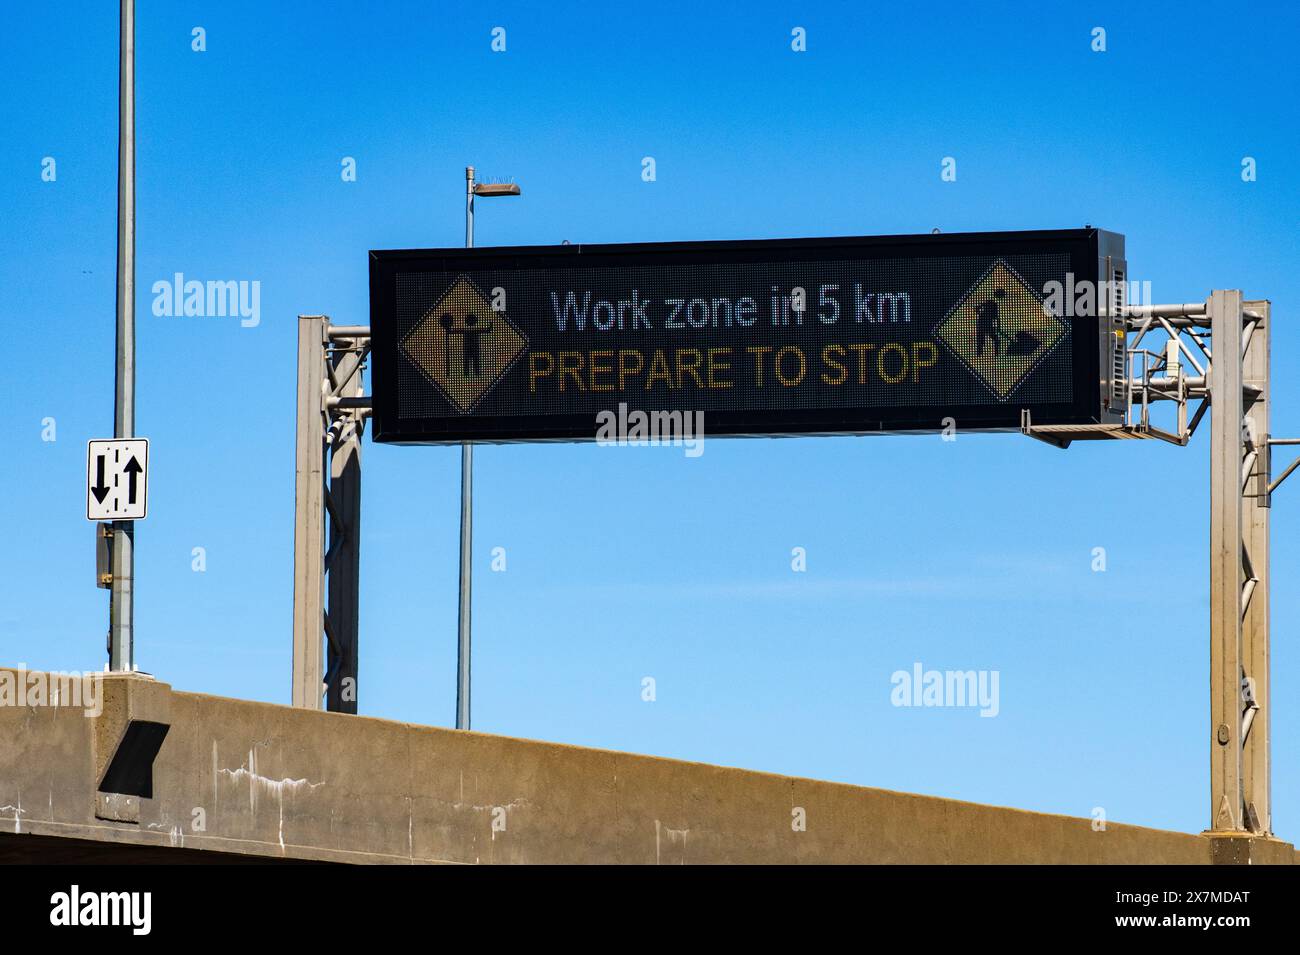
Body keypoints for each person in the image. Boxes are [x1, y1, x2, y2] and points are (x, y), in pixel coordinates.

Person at [975, 288, 1006, 357]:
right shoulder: (991, 302)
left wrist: (998, 326)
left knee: (982, 341)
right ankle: (994, 355)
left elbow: (996, 317)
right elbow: (977, 308)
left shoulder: (993, 303)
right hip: (984, 324)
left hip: (985, 323)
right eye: (1002, 295)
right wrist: (981, 315)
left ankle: (995, 355)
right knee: (981, 341)